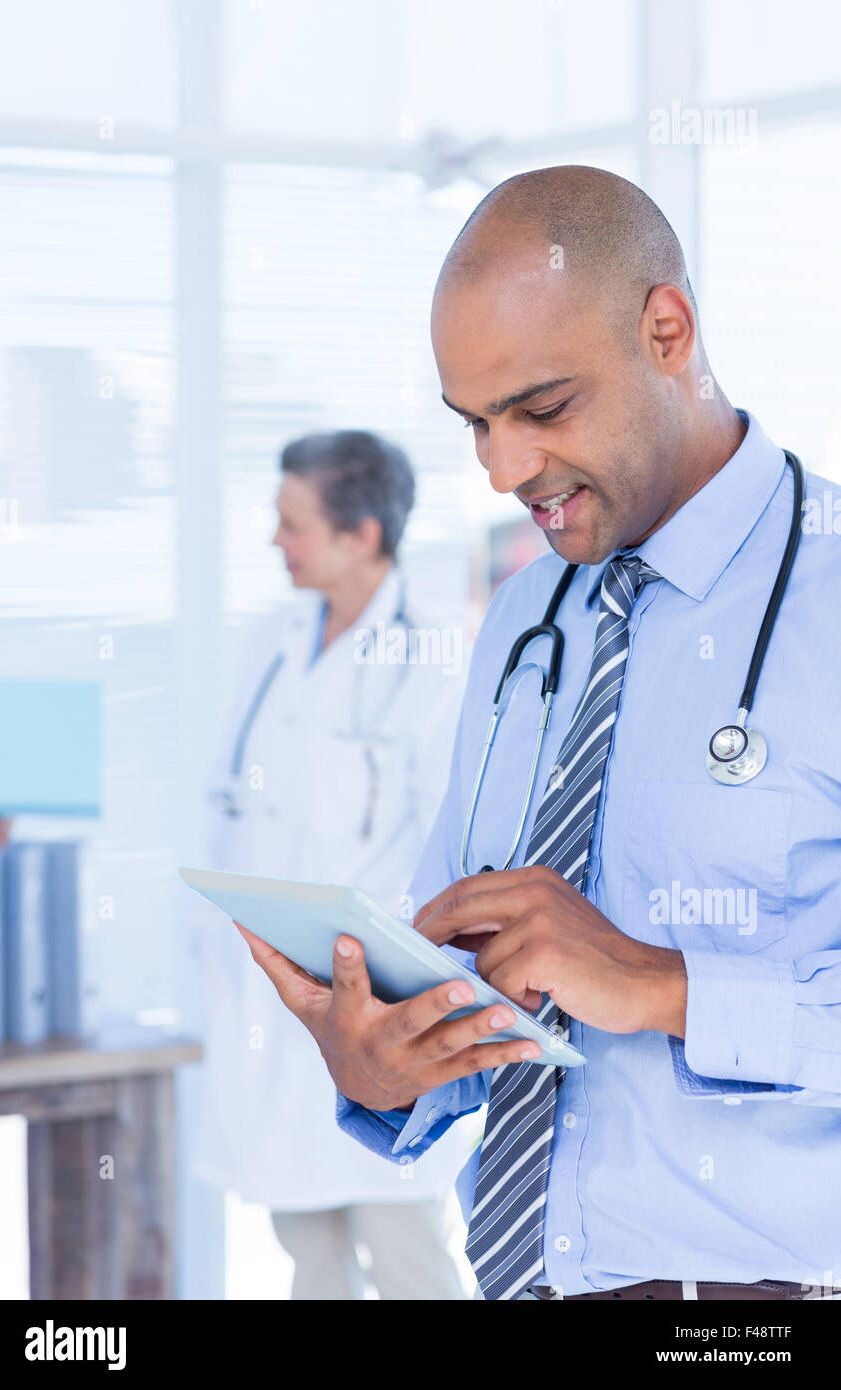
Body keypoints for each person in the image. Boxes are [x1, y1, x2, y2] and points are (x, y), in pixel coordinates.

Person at [234, 165, 841, 1303]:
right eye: (474, 424)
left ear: (667, 331)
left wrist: (662, 985)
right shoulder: (525, 616)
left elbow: (626, 981)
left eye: (541, 408)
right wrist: (388, 1066)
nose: (504, 470)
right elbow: (475, 988)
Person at [194, 429, 471, 1300]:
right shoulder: (273, 638)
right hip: (273, 996)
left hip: (374, 997)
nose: (276, 541)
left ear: (361, 534)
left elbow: (449, 847)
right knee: (305, 1253)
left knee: (409, 1255)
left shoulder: (435, 662)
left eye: (292, 523)